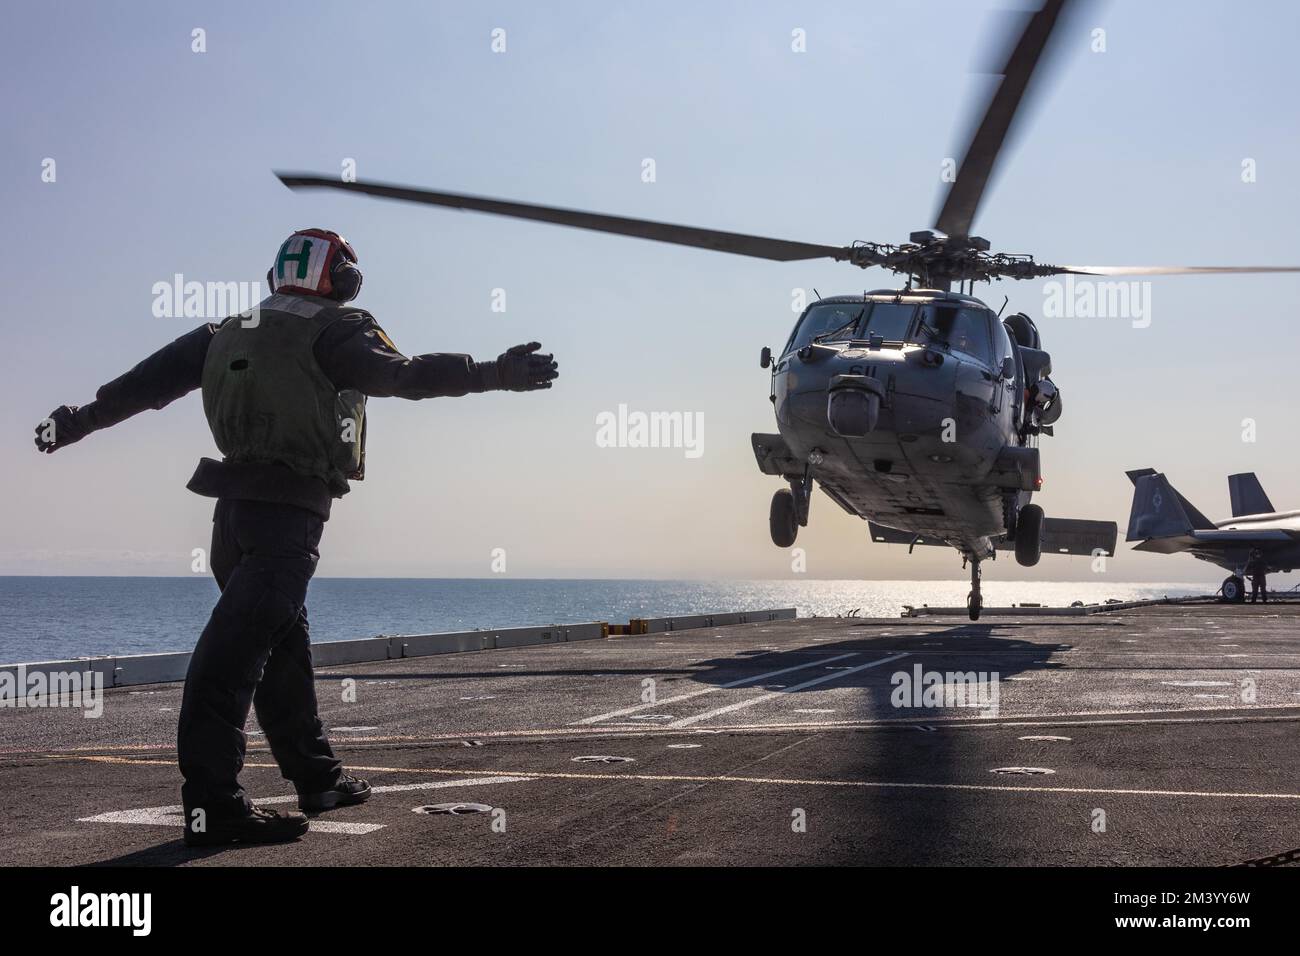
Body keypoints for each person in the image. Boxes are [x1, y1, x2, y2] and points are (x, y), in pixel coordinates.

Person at [33, 228, 558, 846]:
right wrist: (495, 372)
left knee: (283, 649)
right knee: (228, 662)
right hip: (287, 517)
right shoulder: (338, 329)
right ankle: (214, 807)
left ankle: (318, 779)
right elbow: (405, 378)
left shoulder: (225, 331)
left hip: (231, 520)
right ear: (342, 279)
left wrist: (74, 422)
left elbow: (138, 390)